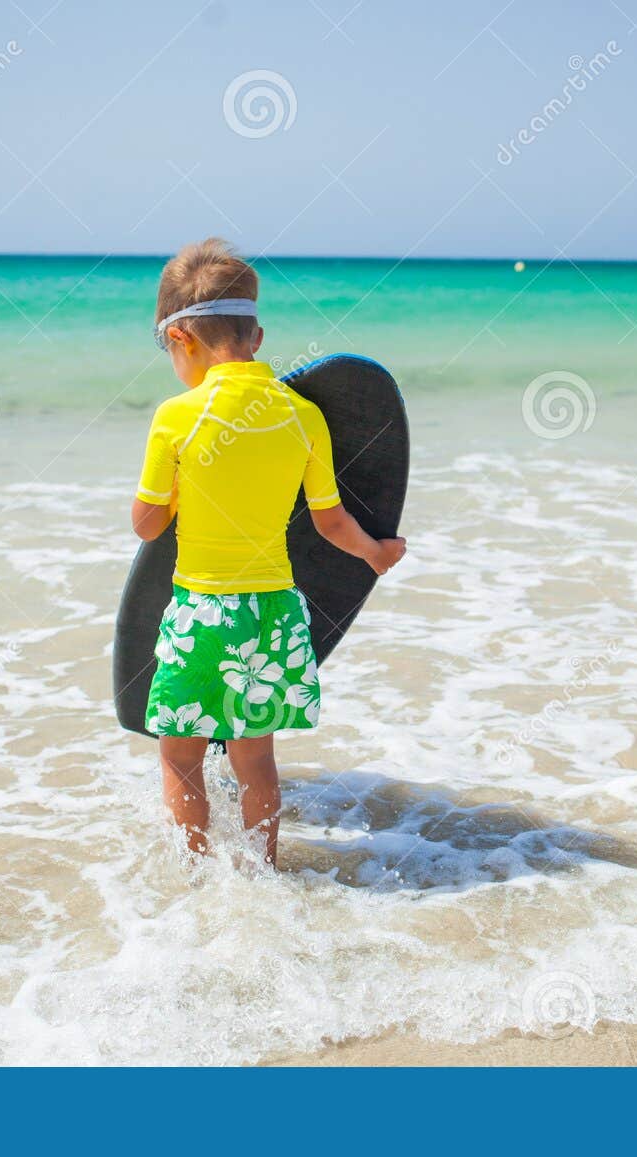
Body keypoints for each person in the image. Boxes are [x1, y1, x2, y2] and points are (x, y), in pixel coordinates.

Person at [131, 238, 406, 869]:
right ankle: (263, 870)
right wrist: (375, 553)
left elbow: (147, 527)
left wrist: (170, 497)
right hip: (276, 615)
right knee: (256, 757)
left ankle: (199, 878)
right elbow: (331, 522)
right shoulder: (303, 415)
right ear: (256, 337)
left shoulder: (177, 417)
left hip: (202, 613)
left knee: (181, 754)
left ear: (180, 341)